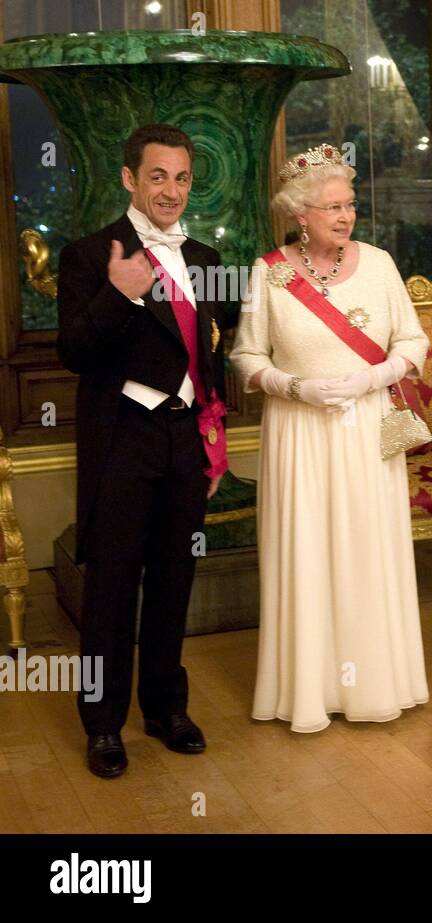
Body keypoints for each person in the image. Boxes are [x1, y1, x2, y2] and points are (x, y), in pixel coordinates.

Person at [231, 144, 431, 731]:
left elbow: (413, 343)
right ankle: (309, 690)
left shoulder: (380, 262)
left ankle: (377, 683)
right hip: (298, 433)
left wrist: (374, 375)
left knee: (366, 551)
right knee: (307, 553)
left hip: (366, 426)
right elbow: (245, 357)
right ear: (300, 214)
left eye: (349, 205)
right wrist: (295, 388)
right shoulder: (272, 273)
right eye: (330, 208)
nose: (344, 217)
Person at [56, 123, 230, 778]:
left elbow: (212, 360)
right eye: (158, 176)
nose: (171, 190)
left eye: (182, 177)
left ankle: (165, 707)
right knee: (110, 587)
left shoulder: (208, 261)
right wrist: (119, 292)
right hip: (124, 439)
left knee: (174, 578)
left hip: (184, 441)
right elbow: (74, 350)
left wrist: (213, 442)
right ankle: (104, 724)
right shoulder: (89, 254)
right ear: (129, 178)